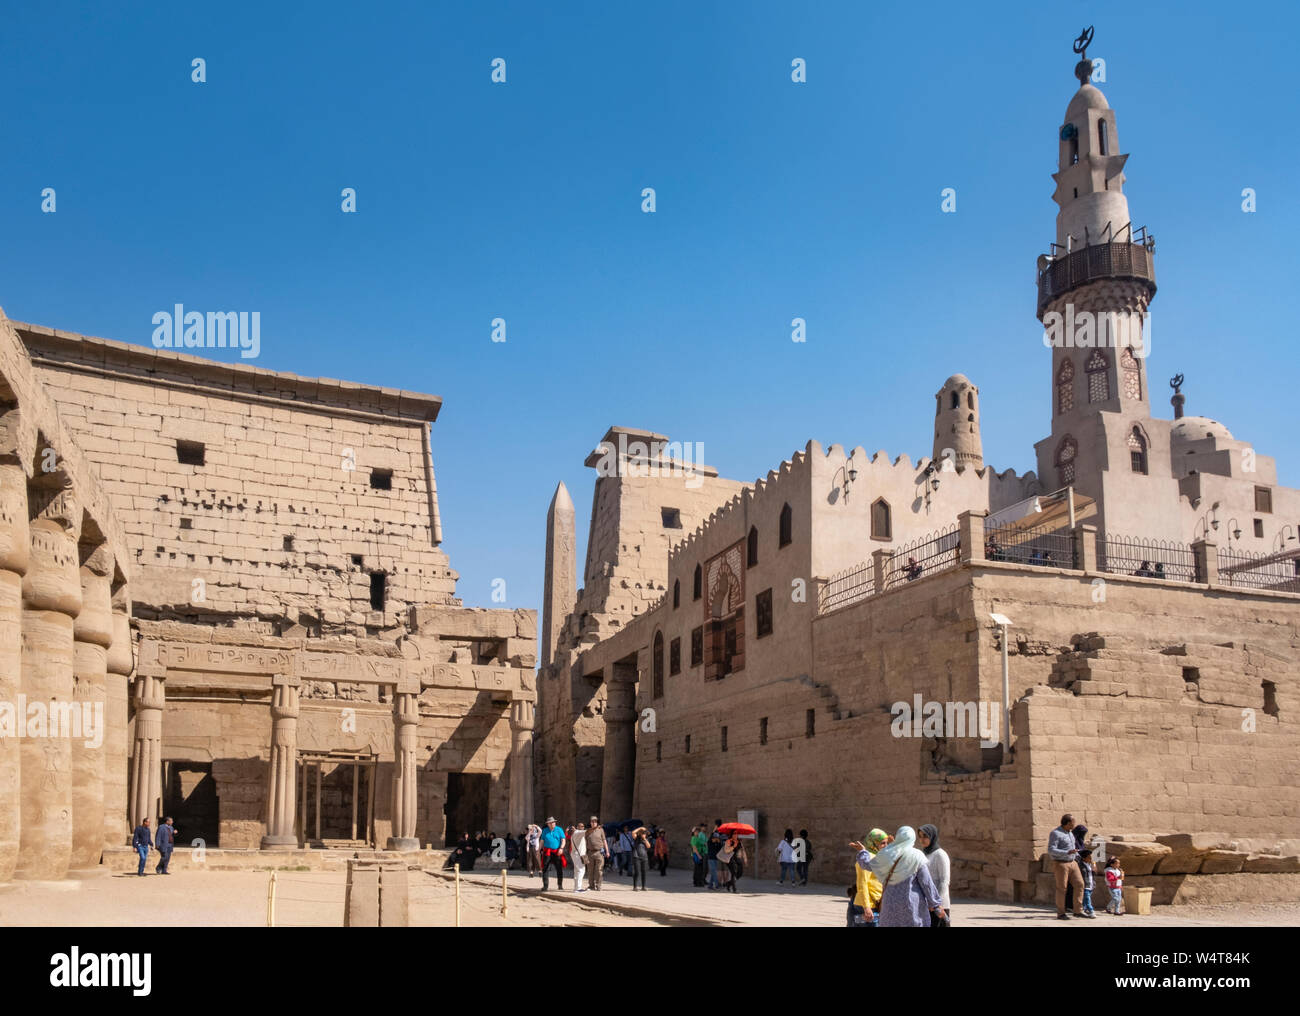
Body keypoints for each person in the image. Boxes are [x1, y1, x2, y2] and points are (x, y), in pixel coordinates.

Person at [869, 826, 946, 927]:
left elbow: (868, 864)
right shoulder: (916, 856)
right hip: (911, 906)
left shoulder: (886, 854)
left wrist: (862, 852)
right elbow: (926, 883)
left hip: (889, 905)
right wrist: (935, 905)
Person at [1048, 814, 1091, 919]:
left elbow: (1073, 848)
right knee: (1062, 888)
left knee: (1080, 884)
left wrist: (1077, 855)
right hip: (1061, 863)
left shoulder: (1070, 833)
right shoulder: (1055, 833)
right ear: (1068, 823)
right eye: (1073, 822)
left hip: (1073, 862)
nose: (1074, 824)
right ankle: (1061, 913)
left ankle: (1078, 910)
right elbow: (1051, 850)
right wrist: (1067, 852)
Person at [849, 828, 889, 925]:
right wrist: (866, 907)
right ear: (873, 843)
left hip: (876, 904)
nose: (886, 846)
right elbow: (862, 884)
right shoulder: (867, 859)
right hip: (867, 906)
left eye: (887, 843)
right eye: (883, 843)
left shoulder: (878, 858)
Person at [916, 823, 950, 926]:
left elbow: (944, 880)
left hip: (939, 905)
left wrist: (936, 903)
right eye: (920, 836)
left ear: (932, 836)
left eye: (925, 836)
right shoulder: (924, 853)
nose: (922, 840)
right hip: (928, 903)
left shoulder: (940, 854)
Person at [1064, 822, 1088, 914]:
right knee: (1070, 887)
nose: (1083, 835)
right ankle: (1068, 906)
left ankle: (1076, 906)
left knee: (1078, 886)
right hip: (1071, 867)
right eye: (1081, 833)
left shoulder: (1080, 843)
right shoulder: (1071, 841)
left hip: (1080, 868)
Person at [539, 816, 567, 890]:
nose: (552, 824)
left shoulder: (559, 829)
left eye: (553, 822)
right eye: (550, 823)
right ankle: (545, 886)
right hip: (547, 851)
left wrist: (561, 848)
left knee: (559, 868)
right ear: (548, 824)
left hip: (557, 851)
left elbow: (563, 840)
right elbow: (542, 841)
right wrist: (539, 849)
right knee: (545, 868)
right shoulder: (545, 830)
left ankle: (560, 885)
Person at [584, 816, 608, 891]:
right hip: (590, 852)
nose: (594, 823)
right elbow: (584, 842)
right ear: (590, 822)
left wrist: (607, 851)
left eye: (595, 821)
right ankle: (591, 885)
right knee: (590, 870)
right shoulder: (587, 831)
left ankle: (598, 885)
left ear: (597, 822)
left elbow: (604, 841)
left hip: (599, 852)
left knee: (599, 870)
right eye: (592, 821)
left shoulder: (601, 830)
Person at [568, 822, 588, 892]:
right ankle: (578, 888)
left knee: (576, 871)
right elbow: (588, 831)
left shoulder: (575, 833)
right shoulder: (578, 833)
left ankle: (576, 887)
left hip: (576, 854)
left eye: (583, 826)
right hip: (578, 854)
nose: (582, 827)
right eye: (581, 826)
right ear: (577, 827)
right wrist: (596, 827)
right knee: (581, 870)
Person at [1078, 848, 1096, 916]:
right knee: (1088, 899)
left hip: (1091, 884)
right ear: (1084, 858)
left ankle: (1085, 910)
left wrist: (1093, 865)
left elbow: (1094, 873)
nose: (1091, 859)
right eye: (1089, 857)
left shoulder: (1090, 864)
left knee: (1086, 900)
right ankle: (1091, 911)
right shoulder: (1080, 865)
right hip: (1085, 885)